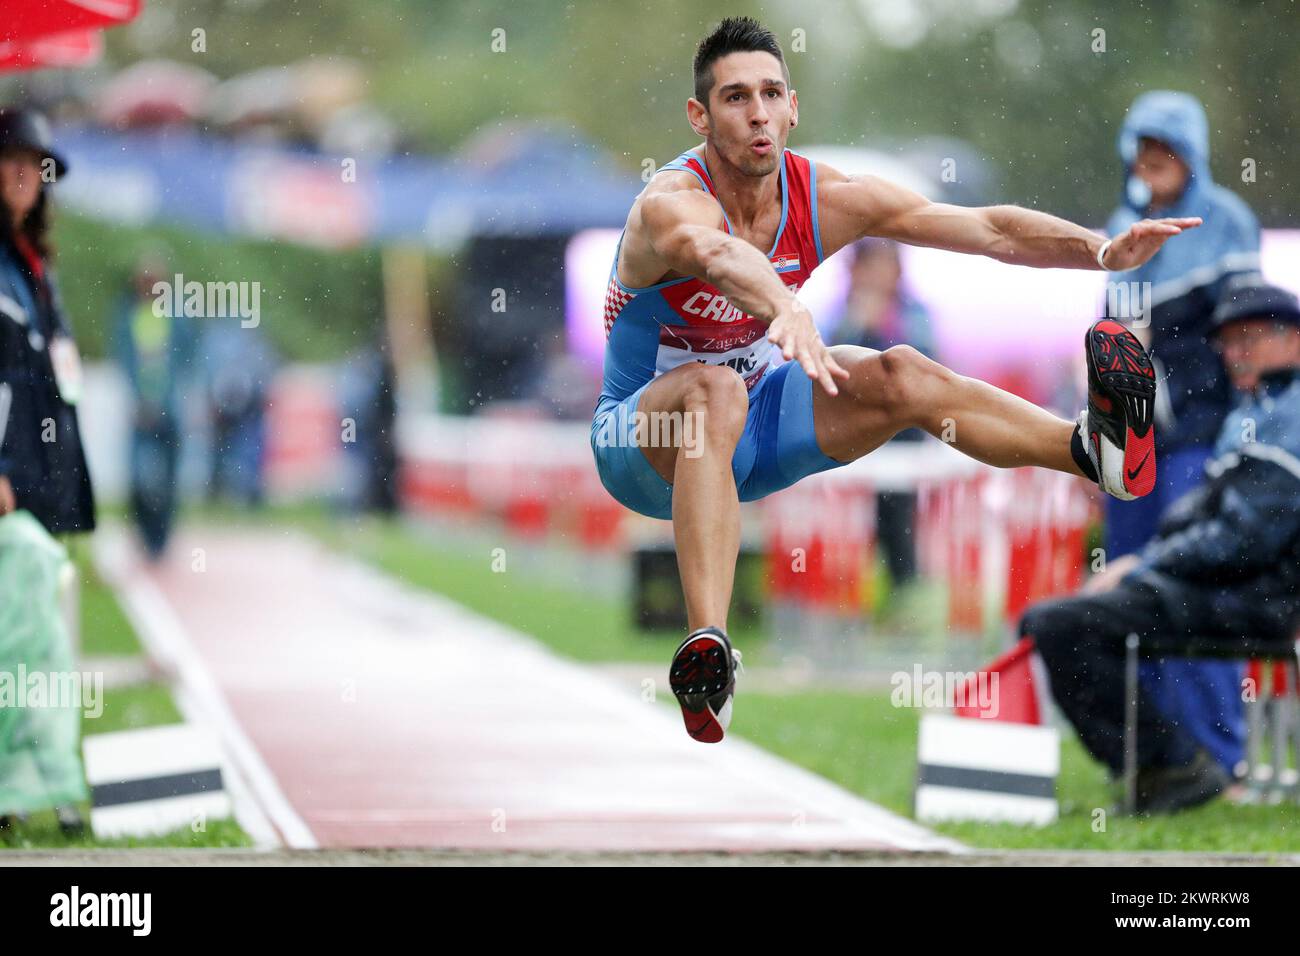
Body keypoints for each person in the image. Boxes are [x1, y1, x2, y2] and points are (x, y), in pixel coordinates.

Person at [590, 17, 1199, 743]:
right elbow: (715, 253)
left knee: (899, 372)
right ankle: (709, 653)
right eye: (734, 97)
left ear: (793, 107)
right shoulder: (669, 204)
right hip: (644, 440)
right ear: (700, 115)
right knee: (711, 389)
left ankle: (1089, 453)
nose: (756, 112)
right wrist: (784, 303)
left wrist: (1101, 251)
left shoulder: (826, 198)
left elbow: (988, 230)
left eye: (770, 94)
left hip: (750, 430)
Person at [1021, 282, 1300, 813]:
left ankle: (1172, 767)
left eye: (1250, 339)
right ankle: (1167, 766)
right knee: (1062, 620)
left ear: (1295, 342)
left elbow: (1241, 541)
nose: (1234, 354)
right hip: (1233, 591)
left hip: (1257, 601)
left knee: (1059, 625)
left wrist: (1140, 567)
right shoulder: (1258, 409)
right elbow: (1214, 527)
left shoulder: (1289, 415)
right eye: (1228, 343)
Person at [1102, 92, 1262, 776]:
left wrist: (1238, 441)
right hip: (1130, 445)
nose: (1152, 158)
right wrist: (1104, 452)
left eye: (1165, 145)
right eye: (1143, 145)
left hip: (1201, 443)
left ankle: (1218, 757)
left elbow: (1248, 344)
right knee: (1127, 595)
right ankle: (1152, 757)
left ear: (1191, 153)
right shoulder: (1120, 226)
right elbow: (1111, 343)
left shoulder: (1226, 220)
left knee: (1194, 588)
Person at [0, 107, 94, 833]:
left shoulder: (37, 265)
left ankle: (39, 783)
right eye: (9, 160)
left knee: (35, 634)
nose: (23, 175)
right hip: (5, 471)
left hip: (43, 466)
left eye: (36, 164)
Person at [829, 238, 936, 593]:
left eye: (884, 267)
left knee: (899, 518)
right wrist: (859, 326)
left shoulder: (913, 314)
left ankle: (904, 591)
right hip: (851, 437)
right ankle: (851, 593)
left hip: (902, 439)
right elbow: (827, 365)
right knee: (853, 524)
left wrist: (881, 332)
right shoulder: (842, 314)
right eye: (869, 267)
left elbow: (926, 366)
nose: (877, 277)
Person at [115, 251, 195, 559]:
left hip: (170, 409)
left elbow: (188, 357)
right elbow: (123, 358)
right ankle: (145, 532)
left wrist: (177, 395)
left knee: (169, 478)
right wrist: (138, 398)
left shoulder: (177, 316)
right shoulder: (127, 315)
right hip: (139, 411)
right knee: (138, 477)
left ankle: (161, 539)